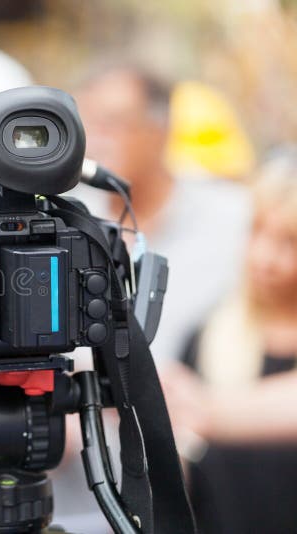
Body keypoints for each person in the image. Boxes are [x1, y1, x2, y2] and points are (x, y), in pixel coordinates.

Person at [47, 62, 251, 532]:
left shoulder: (231, 220)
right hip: (81, 478)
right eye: (88, 123)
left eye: (116, 121)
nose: (100, 137)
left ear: (162, 129)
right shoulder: (59, 222)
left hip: (205, 477)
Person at [161, 152, 297, 533]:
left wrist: (197, 405)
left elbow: (201, 411)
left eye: (290, 241)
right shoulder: (209, 336)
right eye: (258, 231)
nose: (266, 257)